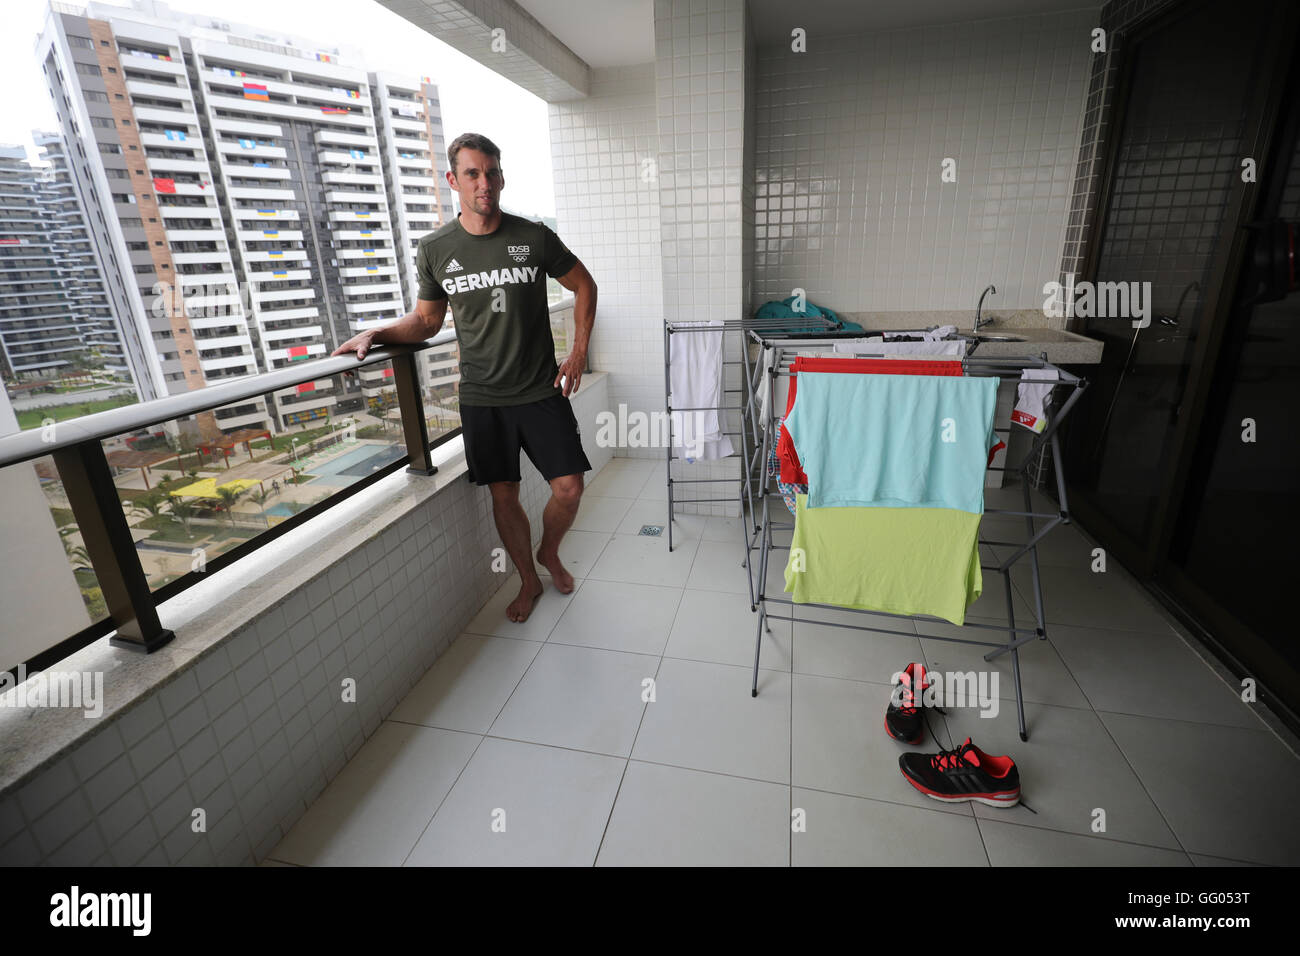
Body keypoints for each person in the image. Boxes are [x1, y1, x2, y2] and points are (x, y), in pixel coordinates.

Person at [332, 132, 596, 623]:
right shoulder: (436, 248)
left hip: (540, 389)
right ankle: (528, 581)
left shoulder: (533, 236)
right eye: (473, 173)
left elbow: (583, 284)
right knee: (504, 494)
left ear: (501, 176)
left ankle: (549, 552)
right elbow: (427, 323)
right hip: (483, 398)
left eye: (492, 172)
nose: (485, 183)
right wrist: (376, 331)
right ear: (453, 180)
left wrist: (578, 350)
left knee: (569, 488)